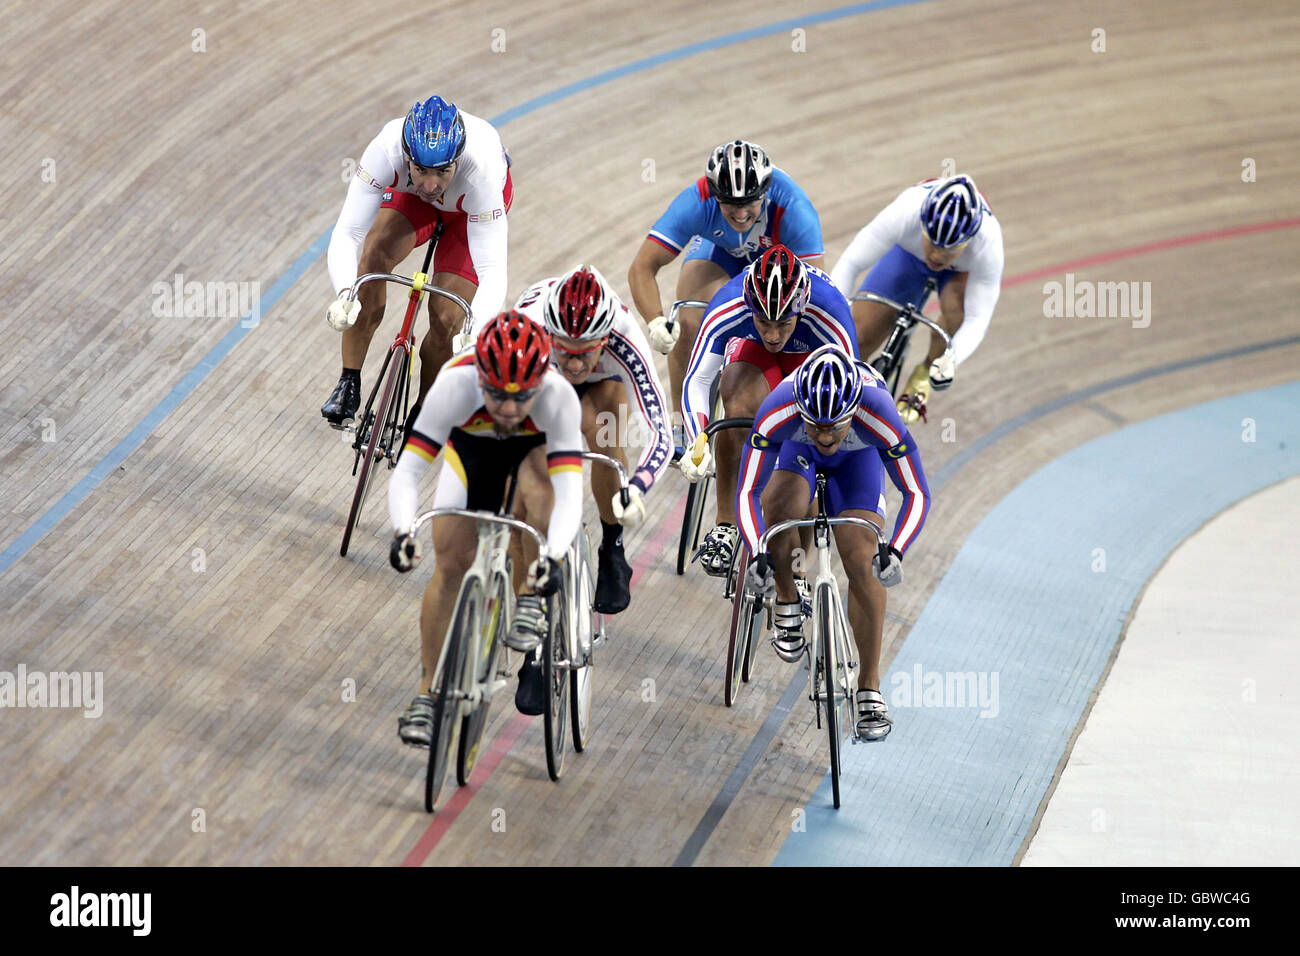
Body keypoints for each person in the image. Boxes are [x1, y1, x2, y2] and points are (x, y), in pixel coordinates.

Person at [386, 312, 582, 745]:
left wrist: (552, 556)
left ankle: (530, 597)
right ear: (481, 378)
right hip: (472, 450)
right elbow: (407, 473)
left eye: (521, 397)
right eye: (496, 395)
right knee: (450, 565)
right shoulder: (455, 382)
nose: (509, 408)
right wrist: (403, 531)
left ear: (539, 384)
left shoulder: (558, 396)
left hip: (533, 452)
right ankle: (426, 695)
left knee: (541, 484)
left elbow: (571, 495)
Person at [737, 345, 931, 739]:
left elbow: (916, 492)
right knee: (780, 509)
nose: (825, 436)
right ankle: (788, 596)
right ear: (801, 411)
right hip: (798, 454)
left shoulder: (879, 412)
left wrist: (895, 550)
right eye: (816, 425)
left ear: (853, 412)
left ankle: (870, 687)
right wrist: (758, 550)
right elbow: (748, 493)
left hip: (857, 462)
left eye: (834, 426)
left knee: (863, 559)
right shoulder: (780, 410)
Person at [321, 95, 513, 430]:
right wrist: (345, 293)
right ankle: (348, 381)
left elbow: (493, 270)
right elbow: (349, 232)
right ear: (406, 155)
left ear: (458, 161)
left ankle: (425, 410)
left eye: (441, 172)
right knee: (374, 256)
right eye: (420, 169)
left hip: (469, 212)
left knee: (449, 316)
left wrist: (475, 326)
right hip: (412, 203)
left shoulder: (481, 175)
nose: (429, 184)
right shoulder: (386, 151)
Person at [626, 140, 823, 453]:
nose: (741, 213)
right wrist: (655, 321)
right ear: (714, 194)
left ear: (766, 192)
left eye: (750, 203)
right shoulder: (696, 202)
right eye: (730, 203)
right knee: (688, 320)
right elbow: (642, 267)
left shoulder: (794, 209)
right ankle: (681, 421)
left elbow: (815, 291)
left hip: (777, 266)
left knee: (787, 326)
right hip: (720, 256)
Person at [679, 244, 857, 577]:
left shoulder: (830, 310)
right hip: (751, 352)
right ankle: (726, 525)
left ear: (801, 309)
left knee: (814, 435)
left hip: (809, 357)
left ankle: (798, 568)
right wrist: (698, 442)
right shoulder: (728, 304)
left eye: (783, 324)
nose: (773, 334)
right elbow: (698, 380)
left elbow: (851, 387)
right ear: (749, 306)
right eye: (763, 321)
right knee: (738, 408)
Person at [513, 265, 673, 613]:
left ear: (604, 341)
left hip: (603, 383)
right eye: (566, 350)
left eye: (584, 352)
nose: (573, 363)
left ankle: (612, 546)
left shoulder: (625, 338)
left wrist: (638, 488)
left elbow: (660, 432)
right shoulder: (528, 329)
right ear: (552, 336)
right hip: (541, 376)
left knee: (606, 437)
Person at [830, 174, 1003, 424]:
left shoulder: (988, 242)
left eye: (949, 249)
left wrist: (949, 361)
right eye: (932, 242)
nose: (937, 255)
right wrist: (836, 312)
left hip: (957, 273)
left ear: (967, 242)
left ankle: (924, 372)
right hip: (909, 256)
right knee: (860, 337)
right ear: (922, 224)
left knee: (957, 312)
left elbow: (977, 318)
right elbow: (850, 263)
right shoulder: (906, 210)